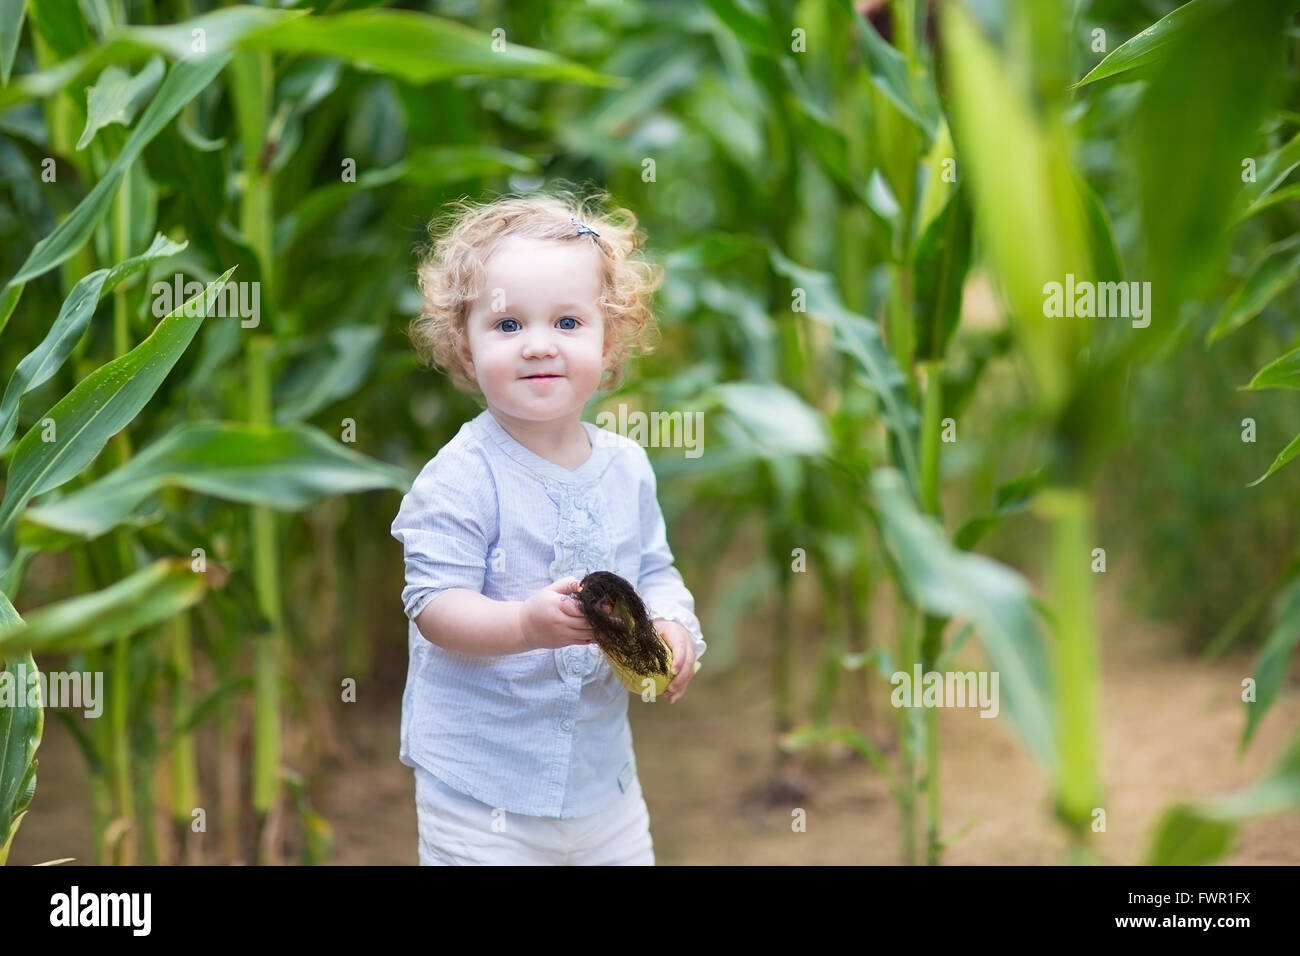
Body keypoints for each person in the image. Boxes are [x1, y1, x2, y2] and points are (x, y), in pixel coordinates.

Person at [390, 186, 706, 865]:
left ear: (609, 339)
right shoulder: (460, 476)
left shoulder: (625, 465)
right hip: (482, 789)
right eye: (507, 327)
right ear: (466, 351)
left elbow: (655, 570)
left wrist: (677, 626)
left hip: (603, 787)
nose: (538, 345)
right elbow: (433, 605)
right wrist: (525, 626)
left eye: (567, 323)